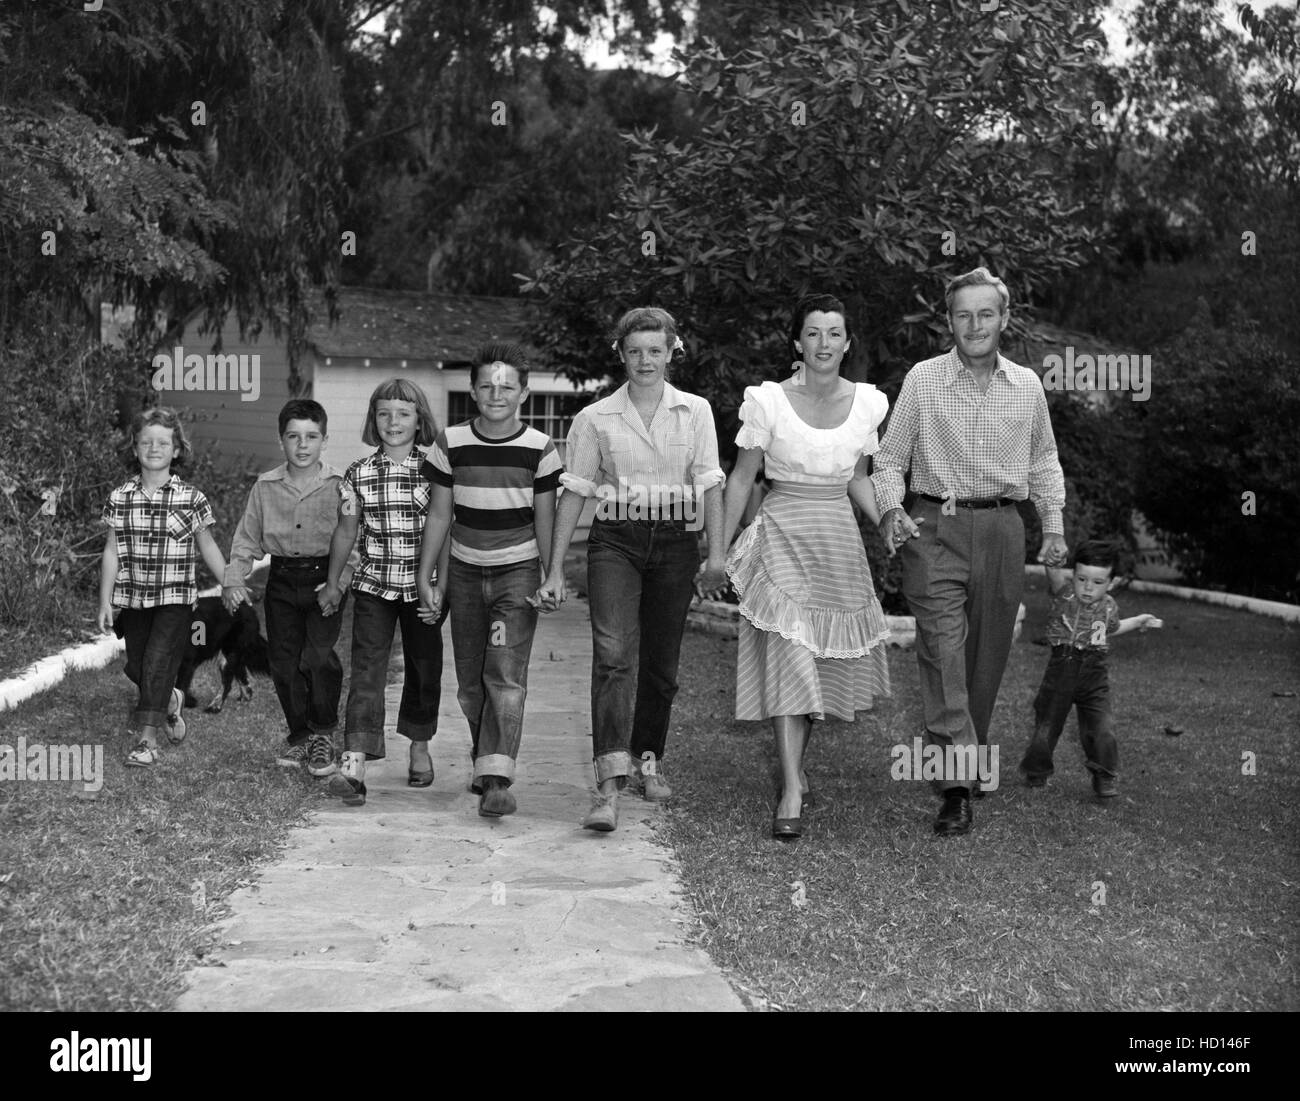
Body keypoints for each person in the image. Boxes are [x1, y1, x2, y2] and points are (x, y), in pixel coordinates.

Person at [872, 266, 1068, 837]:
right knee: (942, 650)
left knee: (985, 660)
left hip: (1004, 529)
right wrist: (890, 509)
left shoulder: (1027, 385)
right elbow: (888, 461)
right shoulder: (924, 380)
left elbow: (1043, 461)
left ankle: (964, 754)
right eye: (964, 314)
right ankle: (958, 783)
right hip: (935, 527)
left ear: (1004, 319)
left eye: (986, 313)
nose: (975, 324)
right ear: (949, 322)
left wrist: (1052, 526)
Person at [534, 307, 726, 833]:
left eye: (655, 350)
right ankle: (609, 786)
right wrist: (553, 569)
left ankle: (647, 759)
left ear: (672, 352)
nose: (645, 360)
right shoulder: (594, 418)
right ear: (620, 353)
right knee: (614, 656)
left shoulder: (696, 412)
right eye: (635, 350)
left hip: (675, 543)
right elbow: (574, 491)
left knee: (660, 666)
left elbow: (710, 483)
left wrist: (716, 555)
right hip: (615, 541)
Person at [719, 294, 892, 840]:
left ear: (847, 342)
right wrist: (717, 550)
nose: (823, 344)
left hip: (837, 539)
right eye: (812, 333)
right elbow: (742, 478)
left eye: (833, 333)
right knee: (792, 650)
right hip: (783, 532)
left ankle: (796, 769)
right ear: (797, 342)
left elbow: (859, 477)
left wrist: (888, 516)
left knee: (817, 660)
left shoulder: (868, 403)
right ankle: (791, 788)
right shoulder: (766, 401)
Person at [416, 344, 563, 818]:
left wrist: (551, 573)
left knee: (504, 673)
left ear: (523, 392)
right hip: (462, 571)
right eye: (486, 385)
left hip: (516, 574)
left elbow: (546, 517)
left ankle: (498, 777)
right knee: (470, 682)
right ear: (473, 391)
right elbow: (439, 514)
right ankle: (486, 761)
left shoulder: (540, 449)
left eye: (506, 386)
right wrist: (429, 578)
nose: (495, 394)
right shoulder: (449, 443)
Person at [319, 378, 450, 806]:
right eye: (384, 413)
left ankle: (418, 744)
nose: (393, 422)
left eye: (403, 414)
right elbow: (345, 531)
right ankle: (355, 760)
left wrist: (440, 586)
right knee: (368, 670)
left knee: (423, 668)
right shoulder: (357, 475)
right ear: (373, 420)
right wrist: (334, 581)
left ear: (420, 421)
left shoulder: (435, 471)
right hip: (374, 585)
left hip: (422, 589)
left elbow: (447, 532)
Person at [222, 399, 357, 777]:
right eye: (293, 437)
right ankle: (301, 737)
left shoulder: (340, 488)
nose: (302, 445)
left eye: (311, 437)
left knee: (315, 657)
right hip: (281, 580)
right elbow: (246, 539)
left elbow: (352, 543)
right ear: (280, 440)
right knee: (283, 662)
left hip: (324, 580)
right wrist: (235, 580)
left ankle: (323, 733)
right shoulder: (265, 487)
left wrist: (337, 584)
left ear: (324, 440)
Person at [98, 407, 228, 767]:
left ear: (176, 449)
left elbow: (208, 546)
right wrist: (105, 600)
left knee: (156, 661)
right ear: (135, 448)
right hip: (133, 597)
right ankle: (170, 698)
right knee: (139, 666)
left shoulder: (191, 498)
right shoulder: (120, 497)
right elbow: (111, 551)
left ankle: (147, 739)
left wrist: (230, 582)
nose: (154, 448)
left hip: (174, 598)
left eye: (163, 442)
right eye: (146, 441)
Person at [1019, 540, 1163, 797]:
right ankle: (1037, 771)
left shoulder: (1109, 606)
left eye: (1097, 582)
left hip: (1095, 675)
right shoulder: (1065, 594)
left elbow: (1114, 628)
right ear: (1073, 576)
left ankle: (1104, 775)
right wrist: (1053, 558)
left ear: (1111, 583)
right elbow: (1054, 574)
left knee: (1103, 728)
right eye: (1082, 578)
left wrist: (1139, 621)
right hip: (1062, 669)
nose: (1087, 587)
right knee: (1046, 725)